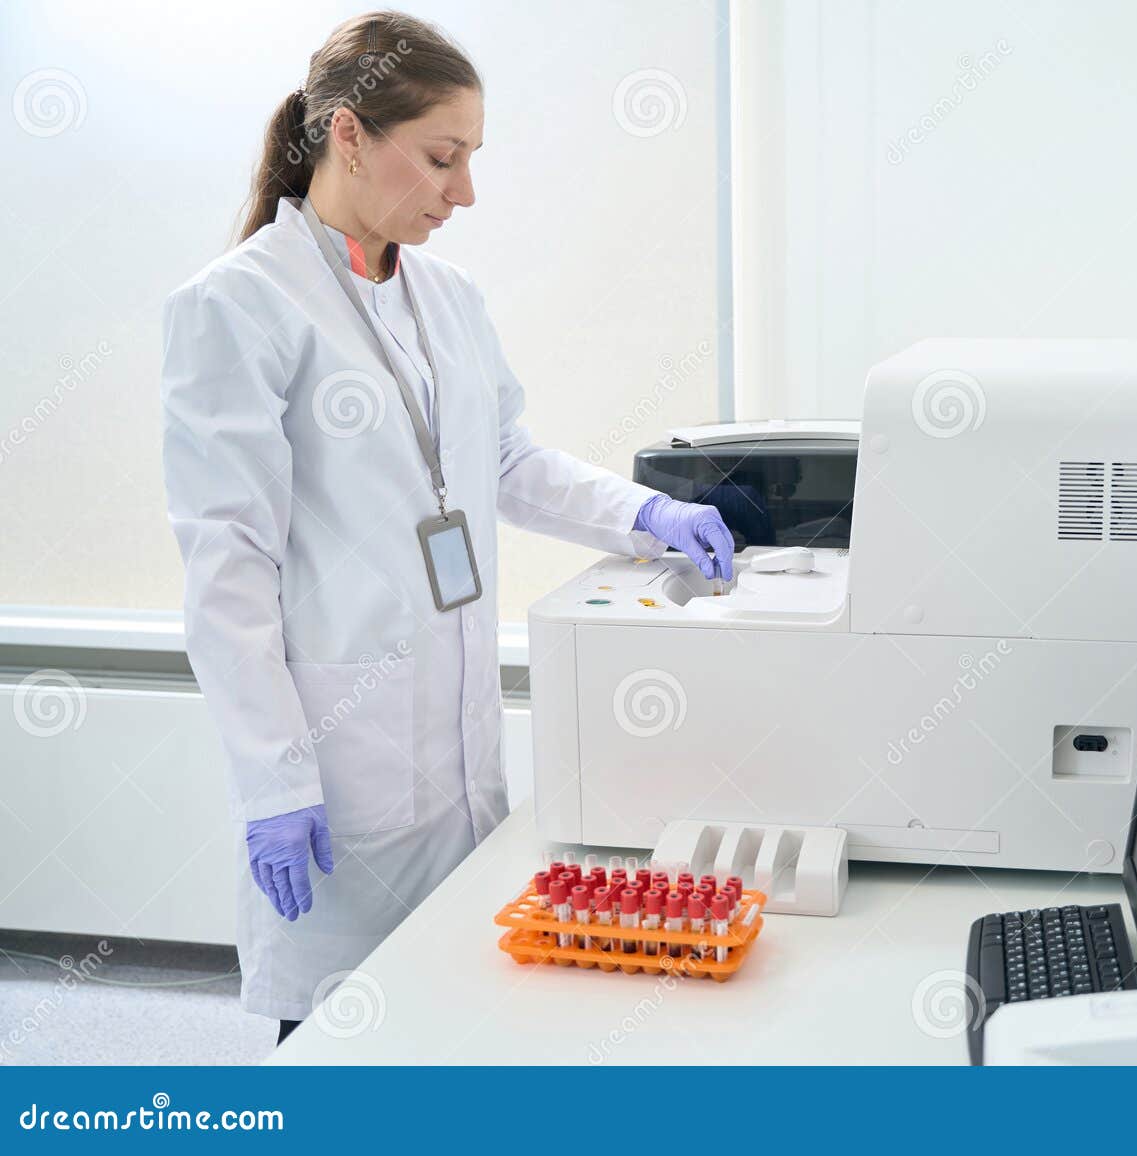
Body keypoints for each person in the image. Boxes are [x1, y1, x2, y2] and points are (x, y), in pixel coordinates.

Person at [159, 11, 733, 1045]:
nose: (463, 191)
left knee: (458, 1026)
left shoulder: (449, 297)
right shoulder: (237, 308)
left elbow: (504, 460)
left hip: (460, 753)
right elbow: (227, 565)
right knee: (343, 1044)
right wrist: (274, 779)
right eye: (440, 157)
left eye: (469, 158)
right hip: (341, 764)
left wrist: (643, 512)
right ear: (344, 135)